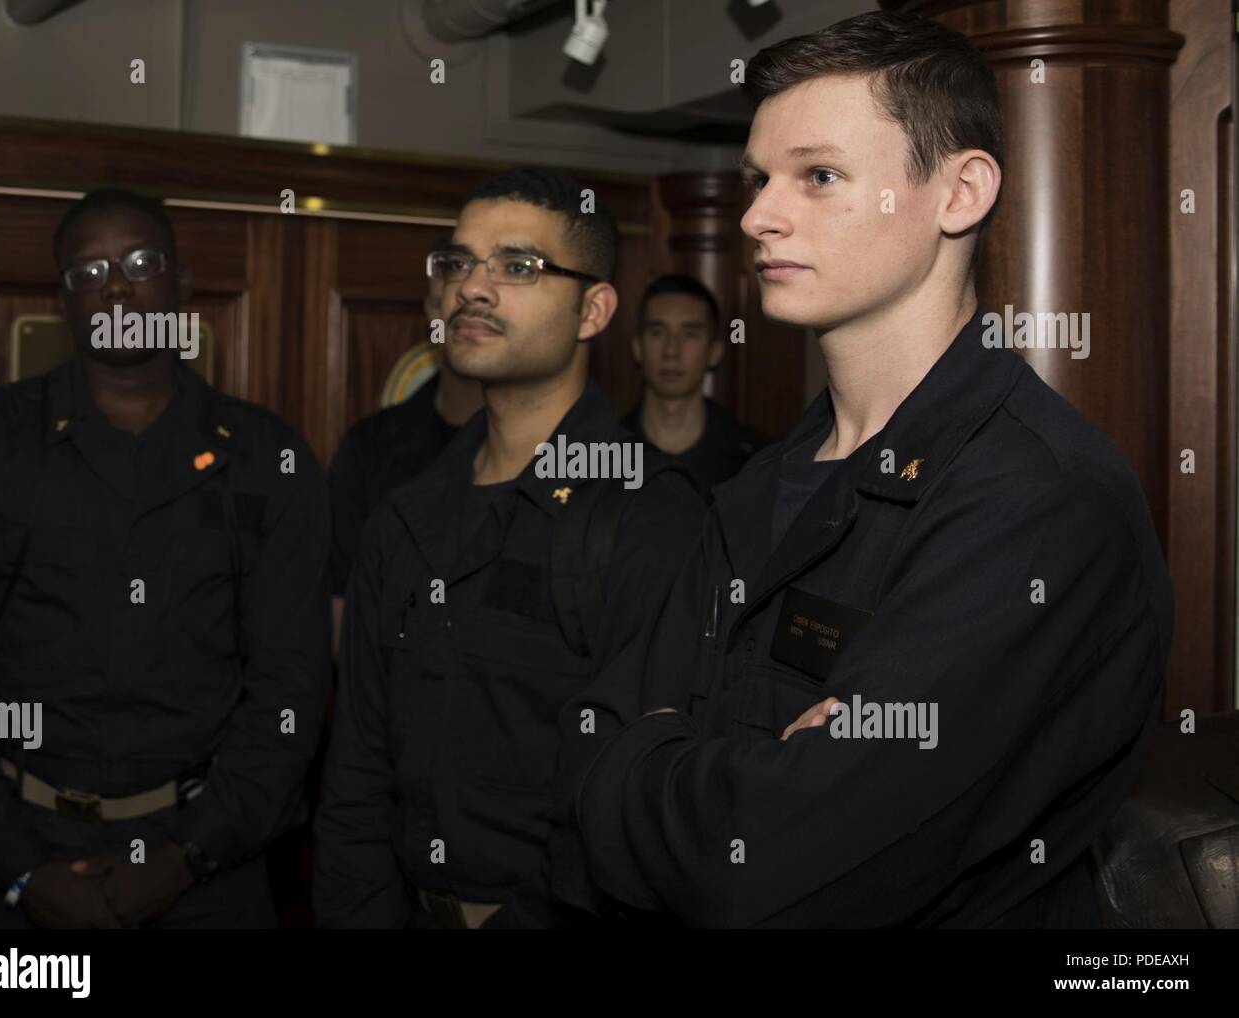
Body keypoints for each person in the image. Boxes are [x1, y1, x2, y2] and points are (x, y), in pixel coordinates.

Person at [553, 11, 1173, 928]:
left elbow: (768, 864)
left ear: (959, 193)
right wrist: (719, 766)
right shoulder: (764, 482)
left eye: (821, 176)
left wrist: (662, 751)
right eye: (761, 178)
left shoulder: (1041, 502)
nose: (759, 215)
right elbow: (581, 757)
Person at [313, 167, 706, 928]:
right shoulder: (405, 516)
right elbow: (355, 773)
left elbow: (633, 815)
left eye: (518, 266)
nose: (473, 288)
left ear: (592, 309)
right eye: (459, 263)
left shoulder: (651, 517)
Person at [0, 188, 330, 928]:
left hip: (207, 862)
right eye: (88, 272)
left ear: (181, 285)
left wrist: (186, 860)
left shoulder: (267, 458)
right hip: (7, 861)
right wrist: (21, 869)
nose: (116, 285)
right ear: (64, 301)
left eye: (141, 262)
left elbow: (289, 695)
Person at [328, 250, 483, 639]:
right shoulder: (370, 449)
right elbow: (342, 608)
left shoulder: (555, 449)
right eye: (444, 302)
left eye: (475, 303)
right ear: (430, 312)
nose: (460, 317)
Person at [623, 274, 768, 496]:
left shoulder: (755, 461)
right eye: (657, 333)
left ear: (714, 352)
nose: (671, 351)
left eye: (690, 335)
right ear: (637, 347)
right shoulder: (606, 454)